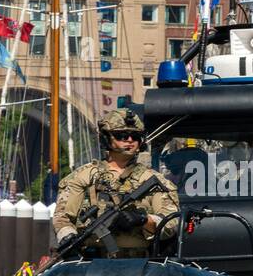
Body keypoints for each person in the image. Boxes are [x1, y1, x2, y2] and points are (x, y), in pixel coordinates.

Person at [53, 107, 179, 258]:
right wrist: (69, 238)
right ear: (106, 138)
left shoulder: (154, 180)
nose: (130, 140)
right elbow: (63, 218)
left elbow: (172, 222)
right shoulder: (83, 177)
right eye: (122, 135)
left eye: (135, 136)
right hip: (91, 263)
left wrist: (144, 220)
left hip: (139, 265)